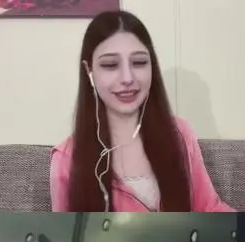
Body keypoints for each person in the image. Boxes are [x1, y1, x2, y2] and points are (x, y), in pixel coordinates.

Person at [50, 11, 234, 212]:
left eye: (139, 62)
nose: (127, 78)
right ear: (89, 71)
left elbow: (210, 209)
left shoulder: (180, 133)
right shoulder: (66, 160)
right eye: (110, 65)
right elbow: (66, 232)